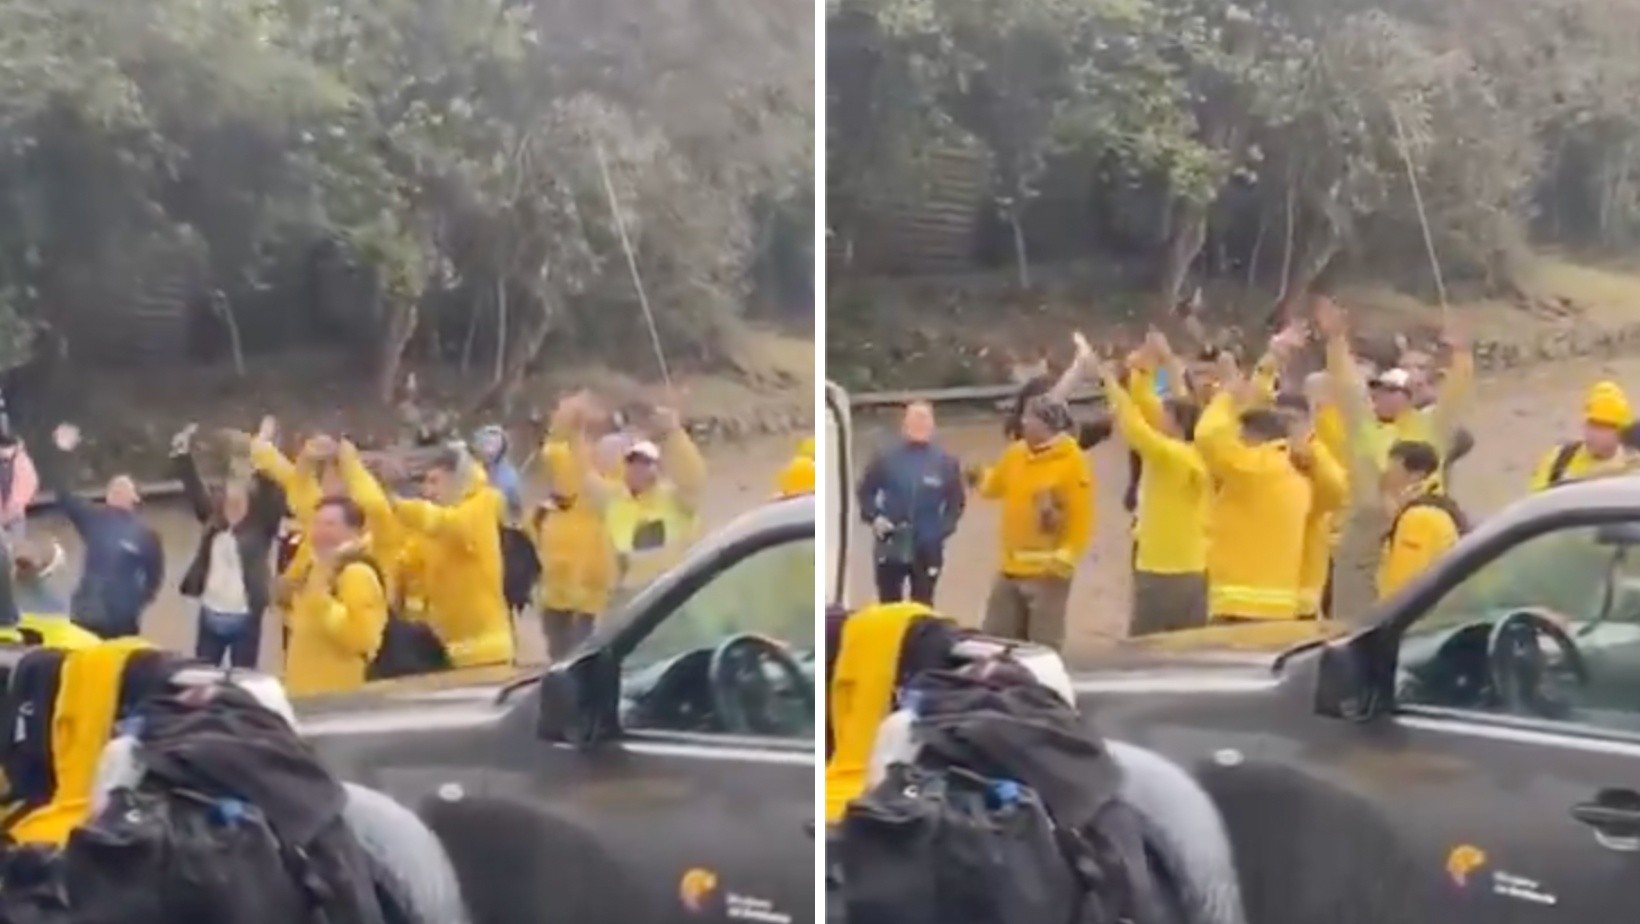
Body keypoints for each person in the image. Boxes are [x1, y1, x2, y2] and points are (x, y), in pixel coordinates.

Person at [1091, 342, 1210, 635]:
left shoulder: (1174, 456)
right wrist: (1144, 371)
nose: (1159, 419)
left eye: (1166, 417)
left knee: (1148, 647)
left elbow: (1135, 427)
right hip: (1186, 566)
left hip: (1166, 570)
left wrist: (1108, 379)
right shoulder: (1188, 451)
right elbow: (1145, 409)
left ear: (1179, 425)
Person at [1194, 339, 1311, 623]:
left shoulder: (1254, 470)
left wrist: (1228, 396)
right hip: (1280, 606)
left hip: (1239, 608)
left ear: (1253, 438)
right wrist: (1268, 365)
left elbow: (1208, 435)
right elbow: (1256, 412)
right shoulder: (1295, 471)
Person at [973, 393, 1094, 649]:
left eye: (1029, 417)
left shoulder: (1073, 463)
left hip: (1048, 574)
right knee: (996, 642)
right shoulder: (1015, 454)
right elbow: (994, 486)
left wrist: (1067, 555)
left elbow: (1082, 518)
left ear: (1046, 425)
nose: (1023, 422)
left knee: (1043, 648)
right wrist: (978, 477)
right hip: (1010, 568)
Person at [172, 423, 286, 669]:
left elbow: (274, 489)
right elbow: (194, 490)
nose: (232, 502)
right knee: (203, 674)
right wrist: (182, 455)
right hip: (211, 614)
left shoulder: (261, 525)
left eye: (239, 496)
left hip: (244, 617)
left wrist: (262, 449)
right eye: (228, 497)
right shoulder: (214, 520)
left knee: (243, 677)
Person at [393, 446, 514, 668]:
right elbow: (409, 564)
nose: (428, 491)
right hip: (444, 650)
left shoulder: (482, 503)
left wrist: (400, 506)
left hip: (485, 651)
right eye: (425, 483)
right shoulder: (430, 525)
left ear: (457, 478)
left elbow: (454, 528)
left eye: (435, 481)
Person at [47, 424, 164, 639]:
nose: (114, 489)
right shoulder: (94, 518)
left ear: (135, 497)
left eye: (122, 487)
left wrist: (136, 603)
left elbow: (154, 576)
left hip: (120, 619)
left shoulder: (146, 534)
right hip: (87, 613)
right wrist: (64, 454)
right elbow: (63, 494)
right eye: (112, 486)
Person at [533, 395, 618, 659]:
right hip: (555, 595)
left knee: (578, 660)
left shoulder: (609, 489)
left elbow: (581, 476)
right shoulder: (555, 504)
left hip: (585, 600)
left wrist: (573, 433)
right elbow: (555, 456)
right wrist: (563, 428)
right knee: (558, 657)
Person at [856, 402, 964, 605]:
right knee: (888, 606)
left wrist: (940, 531)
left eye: (925, 419)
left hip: (927, 547)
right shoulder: (885, 457)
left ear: (933, 425)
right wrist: (876, 517)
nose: (920, 425)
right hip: (891, 542)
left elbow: (956, 503)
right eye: (915, 419)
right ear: (904, 424)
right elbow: (865, 492)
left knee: (922, 606)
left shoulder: (946, 462)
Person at [283, 496, 389, 697]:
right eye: (317, 523)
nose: (320, 532)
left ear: (354, 531)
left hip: (337, 700)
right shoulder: (316, 569)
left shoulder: (357, 573)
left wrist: (322, 603)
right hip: (304, 695)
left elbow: (360, 639)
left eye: (330, 524)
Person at [604, 405, 707, 595]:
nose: (639, 469)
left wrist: (674, 434)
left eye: (646, 463)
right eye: (634, 462)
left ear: (657, 467)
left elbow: (693, 477)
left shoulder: (676, 499)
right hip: (629, 596)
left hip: (673, 589)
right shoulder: (613, 503)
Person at [1378, 440, 1465, 598]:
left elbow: (1404, 586)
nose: (1385, 475)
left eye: (1393, 469)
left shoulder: (1419, 517)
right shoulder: (1434, 506)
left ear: (1417, 476)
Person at [1531, 381, 1636, 490]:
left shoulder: (1632, 470)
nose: (1595, 434)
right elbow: (1537, 501)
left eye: (1604, 427)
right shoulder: (1558, 460)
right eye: (1592, 424)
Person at [471, 424, 524, 521]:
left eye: (494, 445)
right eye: (486, 443)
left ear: (502, 448)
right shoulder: (467, 470)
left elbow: (516, 508)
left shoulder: (509, 477)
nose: (489, 450)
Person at [0, 432, 38, 549]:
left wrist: (17, 504)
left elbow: (29, 483)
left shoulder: (21, 461)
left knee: (17, 548)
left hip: (15, 514)